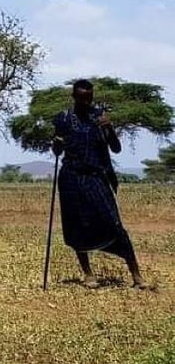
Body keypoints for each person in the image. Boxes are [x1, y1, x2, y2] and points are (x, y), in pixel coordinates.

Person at [52, 79, 146, 290]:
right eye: (82, 99)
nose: (87, 103)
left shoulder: (99, 118)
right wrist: (56, 144)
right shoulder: (64, 119)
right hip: (71, 177)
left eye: (89, 98)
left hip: (96, 177)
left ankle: (136, 275)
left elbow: (116, 148)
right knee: (76, 224)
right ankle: (88, 273)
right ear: (75, 97)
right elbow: (57, 151)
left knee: (113, 223)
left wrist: (109, 128)